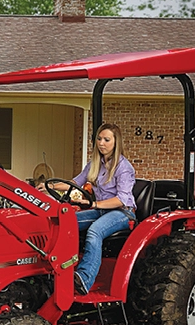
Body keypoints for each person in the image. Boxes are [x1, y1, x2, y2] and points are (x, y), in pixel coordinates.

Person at [44, 122, 136, 294]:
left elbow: (122, 199)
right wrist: (51, 186)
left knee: (95, 231)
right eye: (99, 139)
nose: (101, 143)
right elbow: (75, 183)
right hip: (101, 210)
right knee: (65, 222)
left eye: (107, 140)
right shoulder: (96, 163)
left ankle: (84, 279)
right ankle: (53, 268)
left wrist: (94, 204)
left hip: (122, 212)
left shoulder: (124, 168)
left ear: (116, 143)